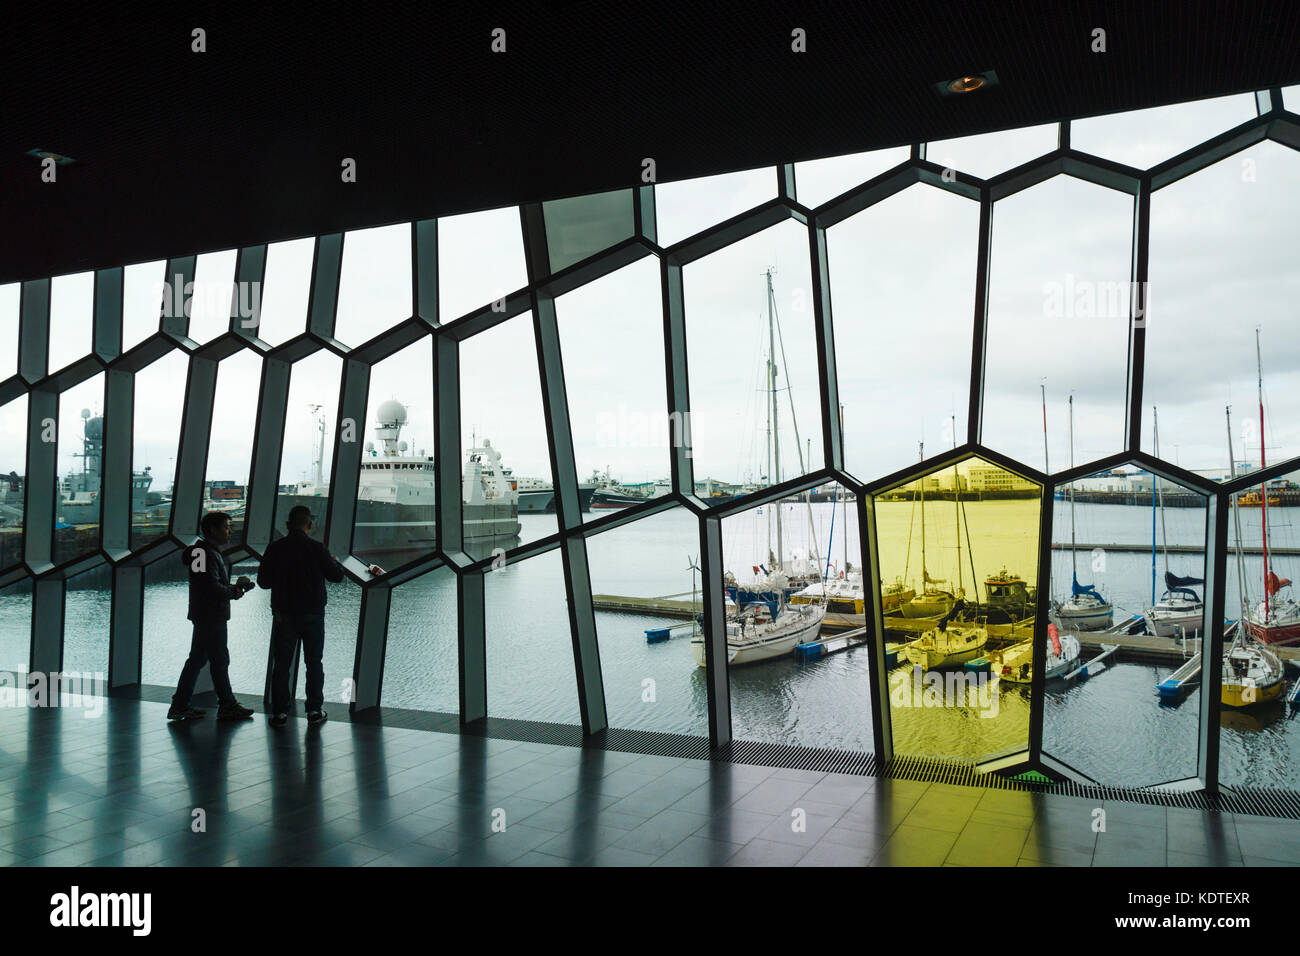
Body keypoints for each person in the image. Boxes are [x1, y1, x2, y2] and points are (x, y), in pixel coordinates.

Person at [258, 505, 344, 727]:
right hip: (313, 614)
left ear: (288, 525)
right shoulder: (317, 548)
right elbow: (336, 576)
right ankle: (314, 710)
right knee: (314, 662)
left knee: (282, 664)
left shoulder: (275, 548)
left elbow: (263, 582)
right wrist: (334, 562)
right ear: (309, 525)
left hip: (284, 614)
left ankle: (279, 713)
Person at [168, 511, 256, 721]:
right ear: (212, 530)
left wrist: (232, 589)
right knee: (219, 660)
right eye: (226, 527)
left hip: (204, 614)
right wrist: (234, 591)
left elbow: (206, 583)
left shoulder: (201, 553)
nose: (229, 532)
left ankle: (181, 705)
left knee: (198, 659)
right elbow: (210, 587)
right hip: (211, 615)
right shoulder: (205, 553)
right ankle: (226, 704)